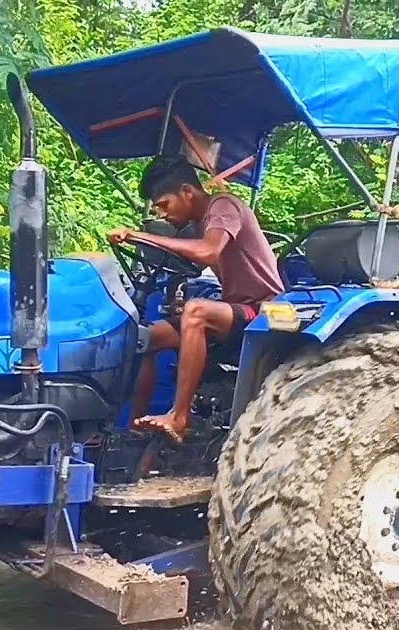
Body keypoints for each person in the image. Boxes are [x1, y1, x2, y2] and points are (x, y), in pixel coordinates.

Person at [108, 156, 285, 442]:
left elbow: (208, 252)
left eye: (164, 205)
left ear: (187, 192)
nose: (162, 214)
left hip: (264, 309)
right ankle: (134, 431)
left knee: (196, 312)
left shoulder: (223, 206)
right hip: (236, 308)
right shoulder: (202, 221)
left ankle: (179, 417)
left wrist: (141, 236)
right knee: (147, 337)